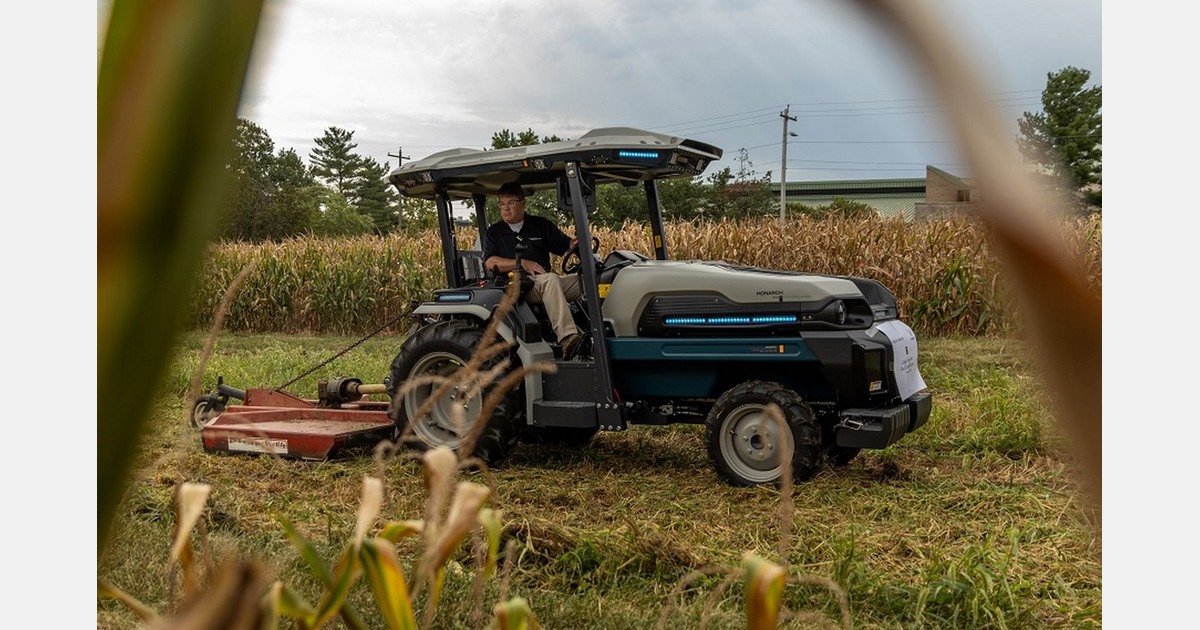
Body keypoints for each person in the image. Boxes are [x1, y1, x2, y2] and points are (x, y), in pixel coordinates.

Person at [482, 182, 584, 358]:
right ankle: (567, 336)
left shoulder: (540, 225)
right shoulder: (495, 232)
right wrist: (521, 263)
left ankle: (600, 331)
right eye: (502, 204)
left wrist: (578, 243)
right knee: (551, 279)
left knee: (587, 280)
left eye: (511, 203)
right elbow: (490, 262)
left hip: (544, 283)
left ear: (523, 203)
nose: (505, 209)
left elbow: (565, 246)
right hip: (519, 287)